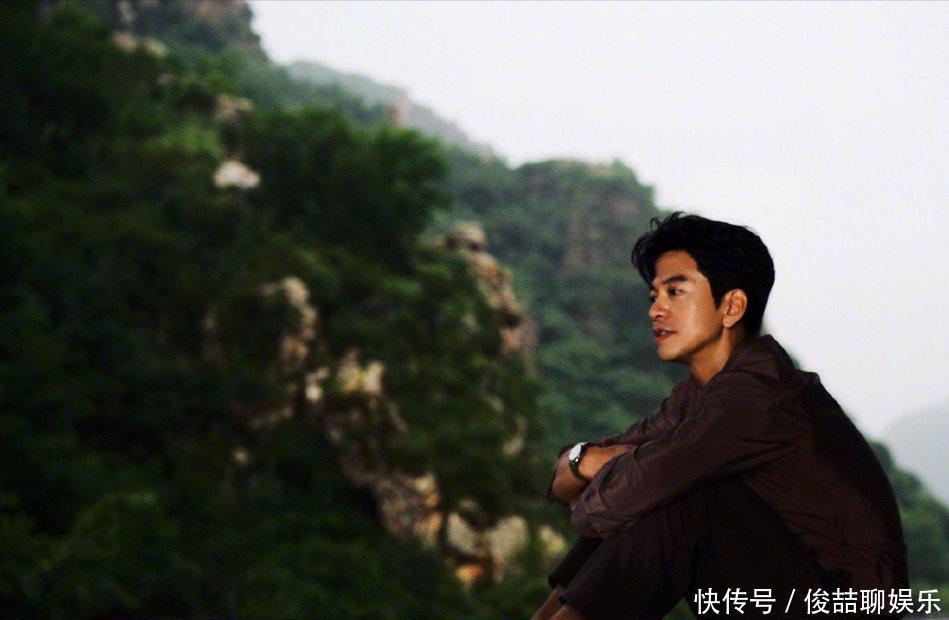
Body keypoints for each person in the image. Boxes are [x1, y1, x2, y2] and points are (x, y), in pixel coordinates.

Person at [532, 212, 908, 620]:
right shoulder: (695, 397)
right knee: (655, 487)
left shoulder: (757, 396)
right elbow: (566, 484)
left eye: (675, 292)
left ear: (731, 307)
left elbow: (603, 506)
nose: (656, 310)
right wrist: (587, 460)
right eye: (654, 296)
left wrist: (602, 467)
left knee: (676, 497)